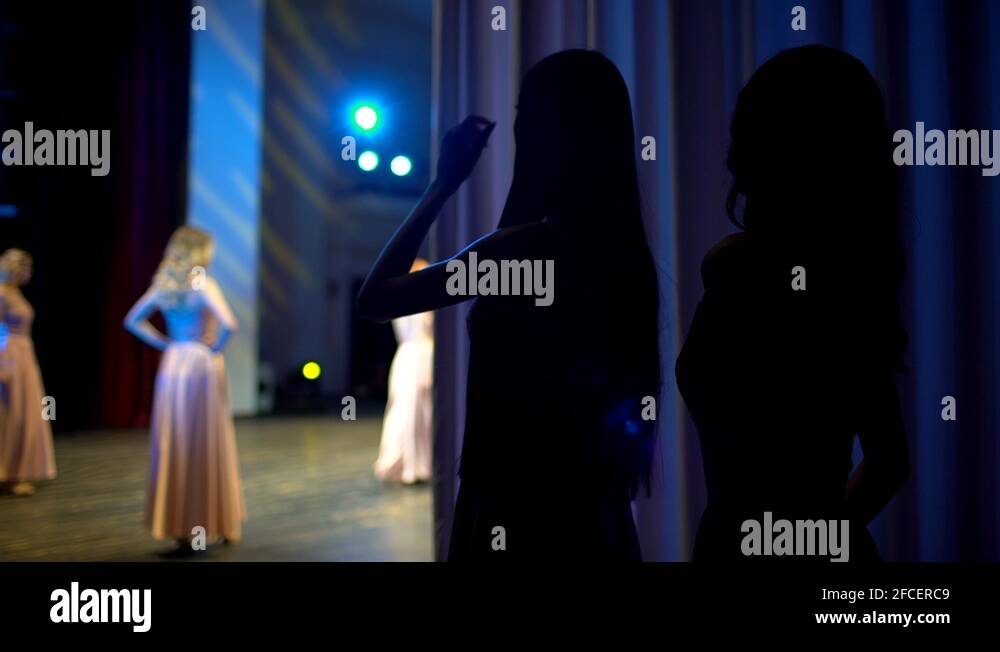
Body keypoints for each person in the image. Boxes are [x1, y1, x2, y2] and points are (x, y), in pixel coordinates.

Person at [357, 50, 660, 560]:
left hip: (511, 508)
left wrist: (442, 183)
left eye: (524, 113)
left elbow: (375, 297)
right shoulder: (623, 256)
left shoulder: (518, 251)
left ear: (544, 132)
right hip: (594, 516)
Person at [676, 45, 910, 562]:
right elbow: (889, 463)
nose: (732, 152)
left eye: (747, 133)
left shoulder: (736, 269)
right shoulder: (852, 281)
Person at [124, 226, 246, 552]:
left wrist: (165, 343)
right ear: (201, 252)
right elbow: (230, 324)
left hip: (174, 361)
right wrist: (215, 347)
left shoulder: (164, 285)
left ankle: (180, 526)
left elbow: (131, 320)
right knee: (206, 442)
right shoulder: (202, 283)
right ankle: (216, 522)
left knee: (175, 442)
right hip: (201, 363)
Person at [0, 248, 56, 496]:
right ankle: (7, 473)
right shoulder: (2, 294)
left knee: (23, 414)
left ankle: (15, 471)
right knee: (10, 415)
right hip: (9, 355)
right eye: (26, 268)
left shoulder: (14, 293)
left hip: (23, 354)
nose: (29, 273)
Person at [374, 259, 434, 484]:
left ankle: (409, 463)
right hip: (420, 355)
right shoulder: (424, 303)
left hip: (405, 356)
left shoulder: (399, 301)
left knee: (406, 410)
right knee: (417, 411)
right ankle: (415, 464)